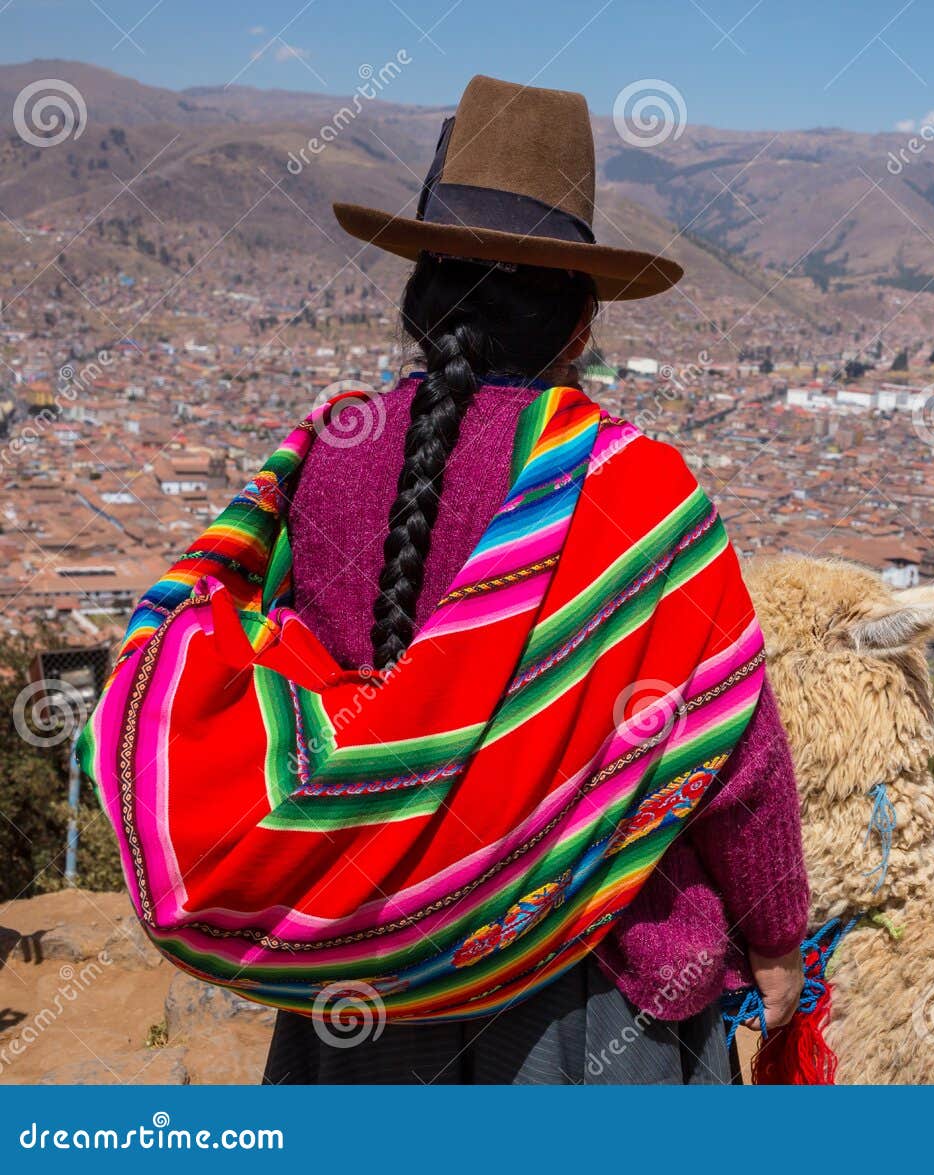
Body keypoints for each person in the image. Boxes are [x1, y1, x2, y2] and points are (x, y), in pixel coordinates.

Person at [106, 76, 809, 1085]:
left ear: (417, 302)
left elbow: (270, 664)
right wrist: (775, 935)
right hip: (587, 980)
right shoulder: (639, 493)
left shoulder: (327, 454)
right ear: (579, 323)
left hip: (365, 973)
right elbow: (738, 760)